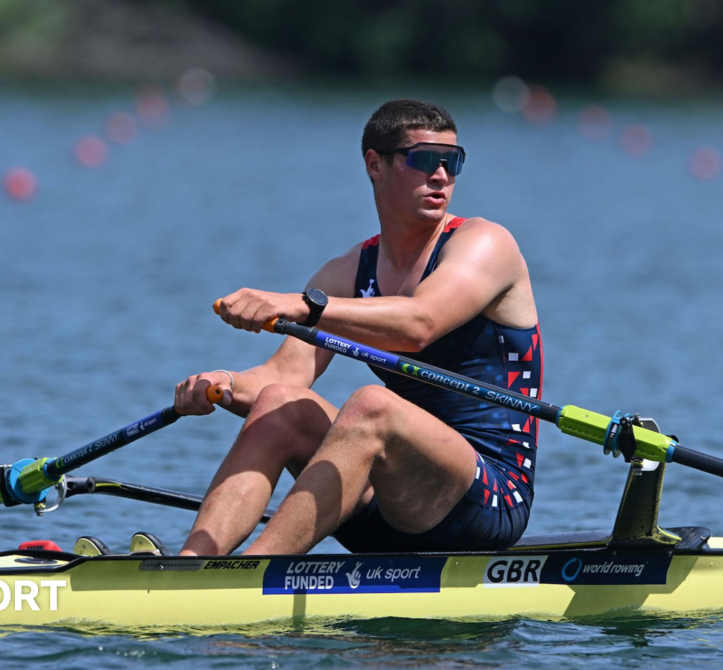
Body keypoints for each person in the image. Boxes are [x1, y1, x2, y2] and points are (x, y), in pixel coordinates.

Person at [174, 98, 542, 556]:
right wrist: (220, 383)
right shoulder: (345, 274)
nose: (442, 176)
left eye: (453, 162)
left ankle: (253, 574)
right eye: (426, 159)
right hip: (386, 505)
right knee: (279, 403)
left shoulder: (484, 244)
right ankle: (191, 567)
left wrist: (301, 306)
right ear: (375, 164)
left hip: (487, 501)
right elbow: (282, 376)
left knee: (372, 405)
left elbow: (419, 324)